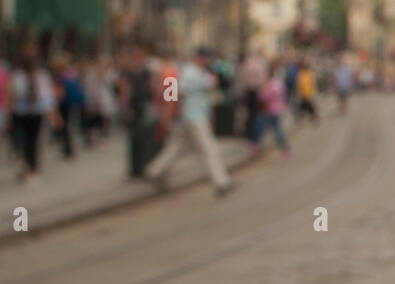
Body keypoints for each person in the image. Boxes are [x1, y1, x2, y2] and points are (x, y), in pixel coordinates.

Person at [144, 47, 233, 197]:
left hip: (191, 116)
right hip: (194, 117)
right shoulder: (188, 72)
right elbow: (173, 92)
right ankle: (221, 182)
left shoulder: (188, 71)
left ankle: (154, 171)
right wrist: (169, 112)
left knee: (178, 147)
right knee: (208, 149)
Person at [9, 42, 58, 183]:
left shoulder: (41, 76)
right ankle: (24, 163)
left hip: (35, 113)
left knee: (33, 140)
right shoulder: (17, 77)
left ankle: (32, 164)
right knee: (21, 140)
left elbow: (47, 96)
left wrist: (52, 114)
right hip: (21, 112)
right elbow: (11, 95)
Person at [121, 44, 159, 178]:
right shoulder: (128, 73)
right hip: (134, 108)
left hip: (146, 107)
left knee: (146, 138)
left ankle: (144, 166)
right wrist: (125, 108)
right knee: (134, 138)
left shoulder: (147, 72)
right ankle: (135, 168)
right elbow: (124, 91)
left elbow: (154, 88)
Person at [251, 64, 290, 155]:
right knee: (271, 129)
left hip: (271, 110)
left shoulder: (270, 84)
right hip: (276, 109)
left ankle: (255, 145)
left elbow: (264, 97)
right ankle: (284, 149)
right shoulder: (278, 83)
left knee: (264, 127)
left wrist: (261, 91)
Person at [51, 54, 85, 158]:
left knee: (64, 126)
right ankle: (69, 149)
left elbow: (59, 92)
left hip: (64, 103)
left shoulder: (59, 76)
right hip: (73, 103)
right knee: (69, 126)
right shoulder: (70, 73)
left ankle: (68, 149)